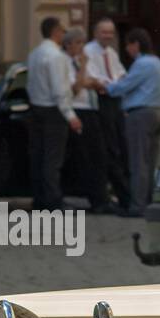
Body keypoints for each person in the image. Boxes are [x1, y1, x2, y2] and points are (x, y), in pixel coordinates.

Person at [105, 28, 160, 217]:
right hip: (158, 112)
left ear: (136, 44)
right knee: (151, 161)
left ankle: (137, 205)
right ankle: (149, 200)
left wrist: (107, 87)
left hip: (140, 114)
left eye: (128, 45)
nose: (126, 49)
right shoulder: (158, 62)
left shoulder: (142, 63)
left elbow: (124, 86)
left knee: (138, 162)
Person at [25, 17, 80, 210]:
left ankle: (39, 198)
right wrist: (70, 115)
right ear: (56, 32)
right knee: (53, 159)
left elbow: (30, 84)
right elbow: (60, 89)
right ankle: (53, 200)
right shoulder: (57, 56)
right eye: (63, 31)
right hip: (53, 112)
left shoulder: (33, 55)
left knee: (38, 156)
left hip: (35, 109)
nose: (64, 35)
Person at [84, 17, 131, 213]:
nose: (108, 36)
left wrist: (114, 83)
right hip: (100, 103)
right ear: (96, 33)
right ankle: (114, 196)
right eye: (104, 32)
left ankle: (123, 196)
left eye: (111, 33)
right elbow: (94, 79)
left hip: (114, 101)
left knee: (119, 147)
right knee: (108, 149)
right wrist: (111, 84)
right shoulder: (88, 51)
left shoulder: (111, 53)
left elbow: (121, 74)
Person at [61, 27, 109, 211]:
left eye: (82, 42)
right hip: (77, 110)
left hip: (92, 109)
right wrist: (83, 74)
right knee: (86, 156)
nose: (81, 47)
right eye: (78, 43)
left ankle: (100, 198)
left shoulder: (81, 60)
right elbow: (76, 88)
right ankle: (94, 199)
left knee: (99, 155)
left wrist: (86, 80)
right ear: (69, 45)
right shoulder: (66, 62)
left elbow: (98, 82)